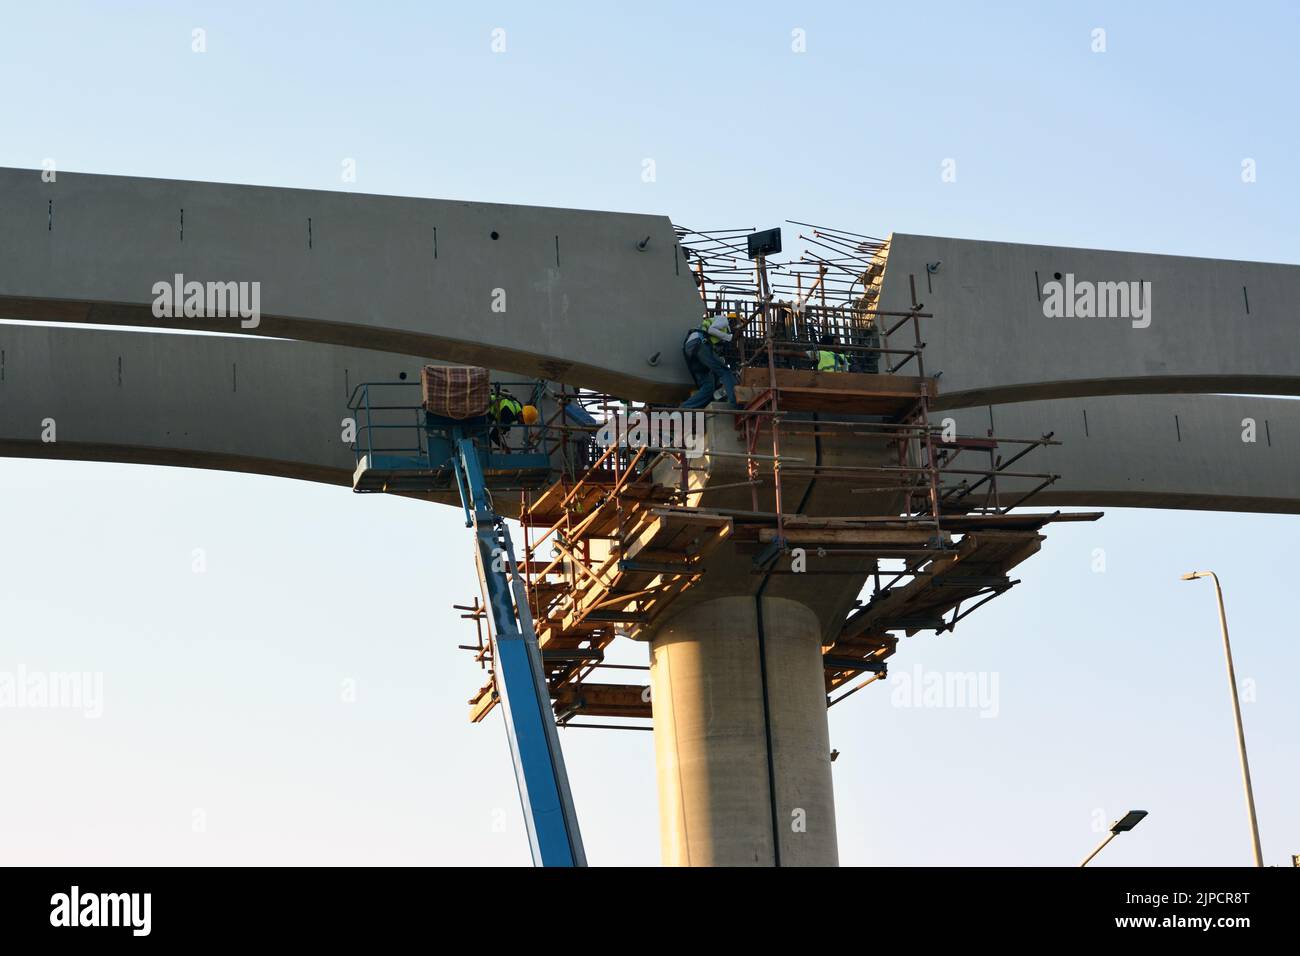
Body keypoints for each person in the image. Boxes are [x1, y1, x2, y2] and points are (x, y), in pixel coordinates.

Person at [682, 312, 736, 409]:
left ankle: (684, 408)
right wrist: (729, 337)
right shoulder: (724, 320)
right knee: (725, 371)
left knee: (708, 387)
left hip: (691, 349)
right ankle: (735, 403)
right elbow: (711, 330)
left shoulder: (721, 332)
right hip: (699, 343)